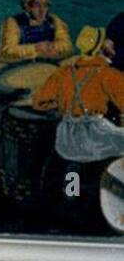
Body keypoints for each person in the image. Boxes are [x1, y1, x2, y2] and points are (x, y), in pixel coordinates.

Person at [30, 24, 124, 162]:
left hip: (65, 141)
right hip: (94, 137)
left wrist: (64, 103)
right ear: (100, 49)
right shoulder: (107, 74)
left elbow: (38, 102)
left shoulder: (63, 72)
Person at [0, 0, 71, 62]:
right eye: (37, 5)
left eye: (45, 5)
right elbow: (7, 52)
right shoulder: (14, 23)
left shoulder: (54, 20)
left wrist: (52, 46)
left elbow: (67, 45)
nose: (42, 10)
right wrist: (35, 48)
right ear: (28, 7)